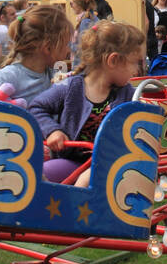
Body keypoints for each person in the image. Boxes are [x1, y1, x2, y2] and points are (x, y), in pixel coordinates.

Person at [30, 21, 146, 184]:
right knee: (40, 176)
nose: (137, 70)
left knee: (84, 181)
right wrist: (52, 131)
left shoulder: (129, 95)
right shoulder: (70, 87)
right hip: (73, 161)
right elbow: (36, 107)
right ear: (113, 60)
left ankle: (76, 207)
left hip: (112, 166)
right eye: (135, 62)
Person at [0, 5, 73, 101]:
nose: (69, 50)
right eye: (66, 44)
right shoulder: (11, 75)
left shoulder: (57, 69)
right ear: (47, 48)